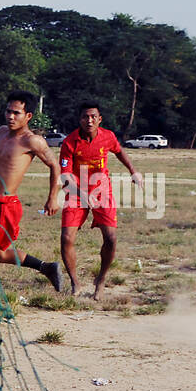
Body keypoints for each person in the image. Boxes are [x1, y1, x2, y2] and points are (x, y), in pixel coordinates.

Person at [0, 91, 63, 304]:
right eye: (8, 111)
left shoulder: (33, 141)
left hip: (6, 205)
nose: (11, 116)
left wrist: (53, 197)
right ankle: (46, 267)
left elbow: (54, 165)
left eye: (16, 113)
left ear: (28, 116)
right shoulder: (1, 133)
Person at [58, 103, 144, 299]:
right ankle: (75, 283)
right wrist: (81, 194)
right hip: (76, 192)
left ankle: (101, 279)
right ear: (79, 119)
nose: (89, 120)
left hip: (101, 190)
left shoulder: (108, 136)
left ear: (99, 119)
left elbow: (120, 151)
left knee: (111, 238)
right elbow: (66, 176)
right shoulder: (70, 142)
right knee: (66, 238)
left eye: (93, 117)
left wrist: (134, 171)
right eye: (85, 117)